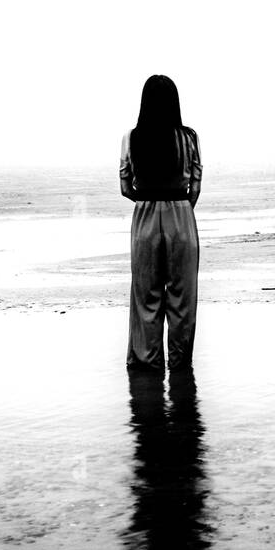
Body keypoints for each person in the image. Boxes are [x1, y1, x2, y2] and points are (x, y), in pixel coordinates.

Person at [120, 75, 202, 369]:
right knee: (182, 296)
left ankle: (146, 365)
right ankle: (180, 365)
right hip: (181, 213)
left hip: (144, 215)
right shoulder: (189, 137)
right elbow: (196, 186)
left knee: (146, 295)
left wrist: (148, 200)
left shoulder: (132, 137)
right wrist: (178, 205)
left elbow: (125, 188)